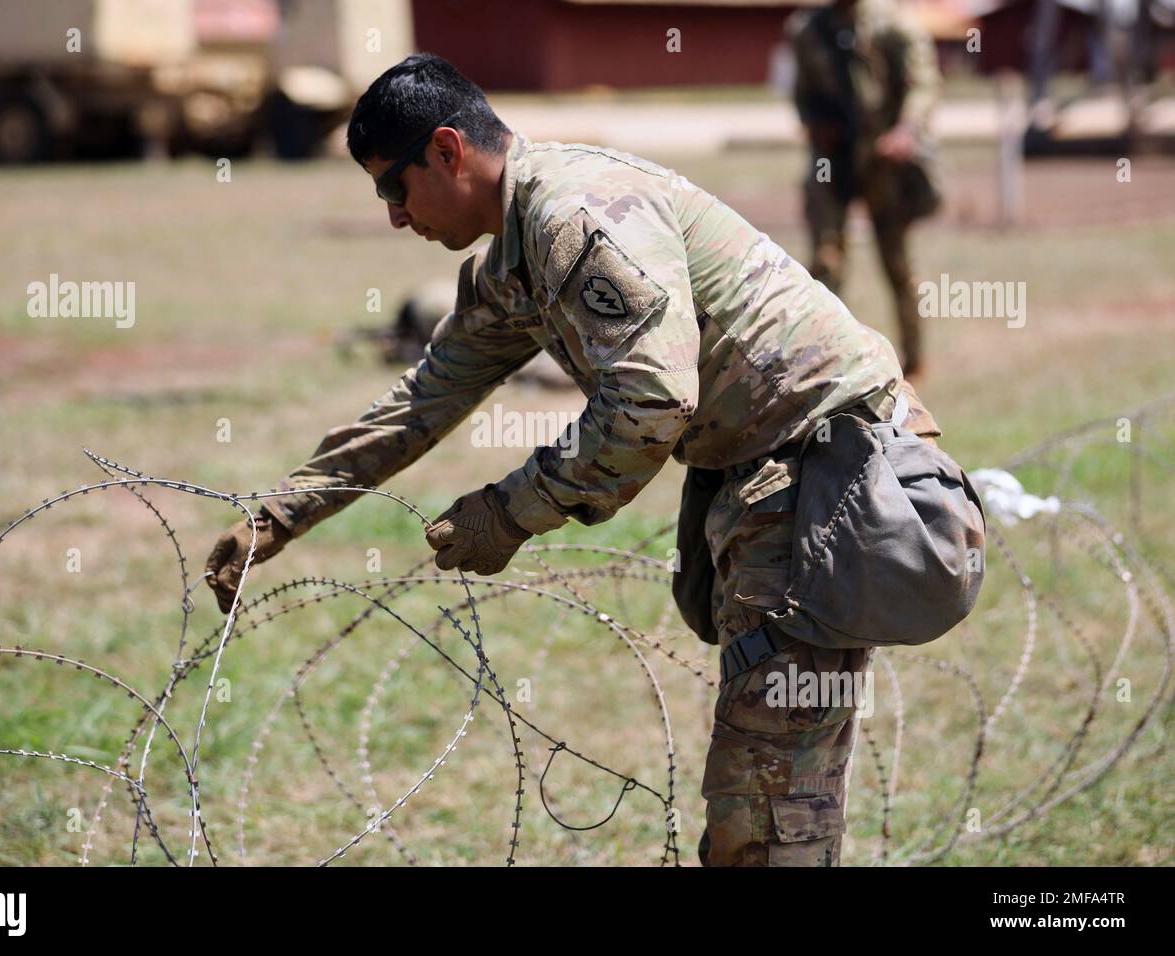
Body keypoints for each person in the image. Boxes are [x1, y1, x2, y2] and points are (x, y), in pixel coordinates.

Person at [205, 53, 948, 866]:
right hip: (775, 473)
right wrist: (283, 512)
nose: (393, 217)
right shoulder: (519, 254)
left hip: (828, 470)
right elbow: (424, 399)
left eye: (392, 188)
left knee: (766, 811)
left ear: (448, 152)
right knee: (766, 800)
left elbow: (653, 404)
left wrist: (510, 511)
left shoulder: (572, 218)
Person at [788, 0, 943, 379]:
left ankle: (914, 358)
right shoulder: (808, 30)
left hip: (883, 161)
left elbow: (922, 84)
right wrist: (814, 124)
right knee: (826, 262)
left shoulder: (896, 26)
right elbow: (802, 92)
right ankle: (825, 361)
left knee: (897, 264)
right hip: (833, 160)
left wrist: (905, 132)